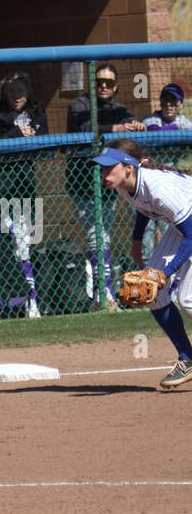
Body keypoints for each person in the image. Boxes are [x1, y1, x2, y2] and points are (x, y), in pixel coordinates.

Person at [92, 140, 192, 389]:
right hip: (184, 228)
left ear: (128, 167)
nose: (104, 174)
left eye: (109, 168)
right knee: (154, 294)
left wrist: (166, 272)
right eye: (102, 169)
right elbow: (144, 207)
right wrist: (136, 240)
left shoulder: (158, 187)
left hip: (190, 228)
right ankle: (188, 358)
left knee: (188, 298)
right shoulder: (124, 185)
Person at [66, 63, 143, 310]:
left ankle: (105, 293)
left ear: (116, 86)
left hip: (108, 183)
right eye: (99, 81)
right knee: (97, 236)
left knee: (104, 236)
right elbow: (84, 128)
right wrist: (115, 129)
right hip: (83, 182)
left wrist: (135, 125)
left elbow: (128, 120)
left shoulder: (117, 107)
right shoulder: (79, 105)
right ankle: (105, 293)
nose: (103, 86)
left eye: (109, 83)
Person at [0, 75, 48, 318]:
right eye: (11, 91)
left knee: (23, 248)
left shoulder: (36, 113)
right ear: (3, 92)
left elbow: (45, 151)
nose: (16, 96)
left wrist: (33, 139)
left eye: (21, 90)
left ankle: (30, 303)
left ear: (28, 91)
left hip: (23, 190)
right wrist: (16, 135)